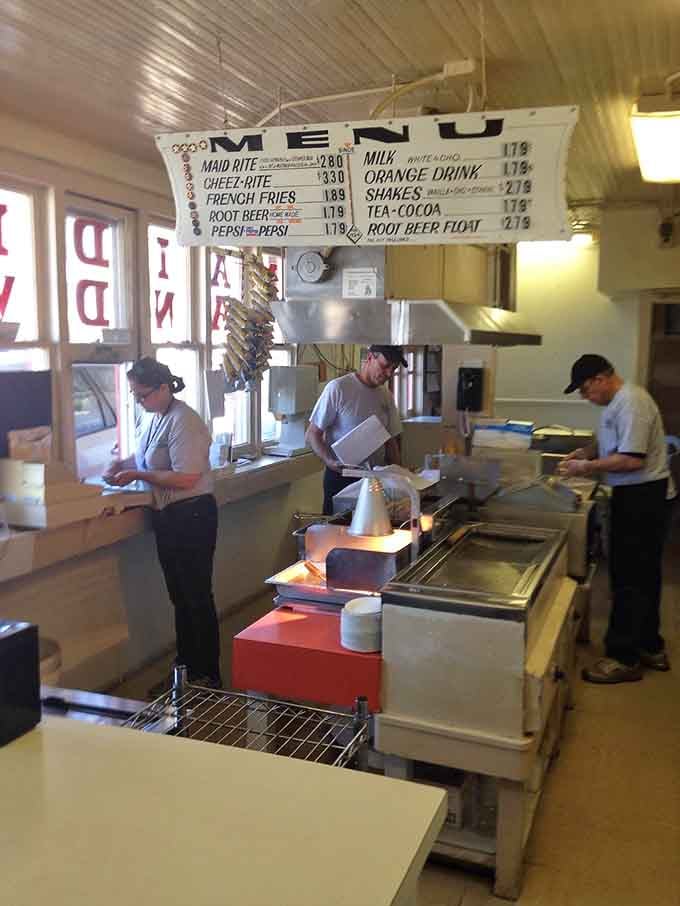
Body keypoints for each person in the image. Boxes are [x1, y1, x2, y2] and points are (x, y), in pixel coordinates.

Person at [104, 357, 221, 689]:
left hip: (193, 515)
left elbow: (186, 477)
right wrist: (119, 465)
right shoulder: (152, 416)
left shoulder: (185, 421)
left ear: (163, 388)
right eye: (135, 396)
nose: (138, 401)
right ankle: (184, 668)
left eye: (143, 395)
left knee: (197, 594)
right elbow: (146, 457)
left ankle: (208, 672)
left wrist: (137, 474)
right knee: (179, 596)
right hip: (166, 516)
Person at [559, 354, 671, 683]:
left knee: (628, 579)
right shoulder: (616, 403)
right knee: (644, 576)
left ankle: (623, 657)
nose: (585, 397)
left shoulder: (632, 402)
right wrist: (586, 453)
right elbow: (611, 441)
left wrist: (586, 468)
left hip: (643, 497)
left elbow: (631, 459)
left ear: (600, 378)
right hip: (637, 495)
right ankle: (650, 645)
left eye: (584, 390)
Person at [306, 345, 405, 514]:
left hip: (374, 479)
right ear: (370, 358)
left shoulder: (385, 395)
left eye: (393, 369)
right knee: (337, 533)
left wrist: (398, 476)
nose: (389, 373)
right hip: (341, 478)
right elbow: (312, 435)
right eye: (385, 366)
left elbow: (391, 441)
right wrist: (329, 461)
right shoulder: (339, 388)